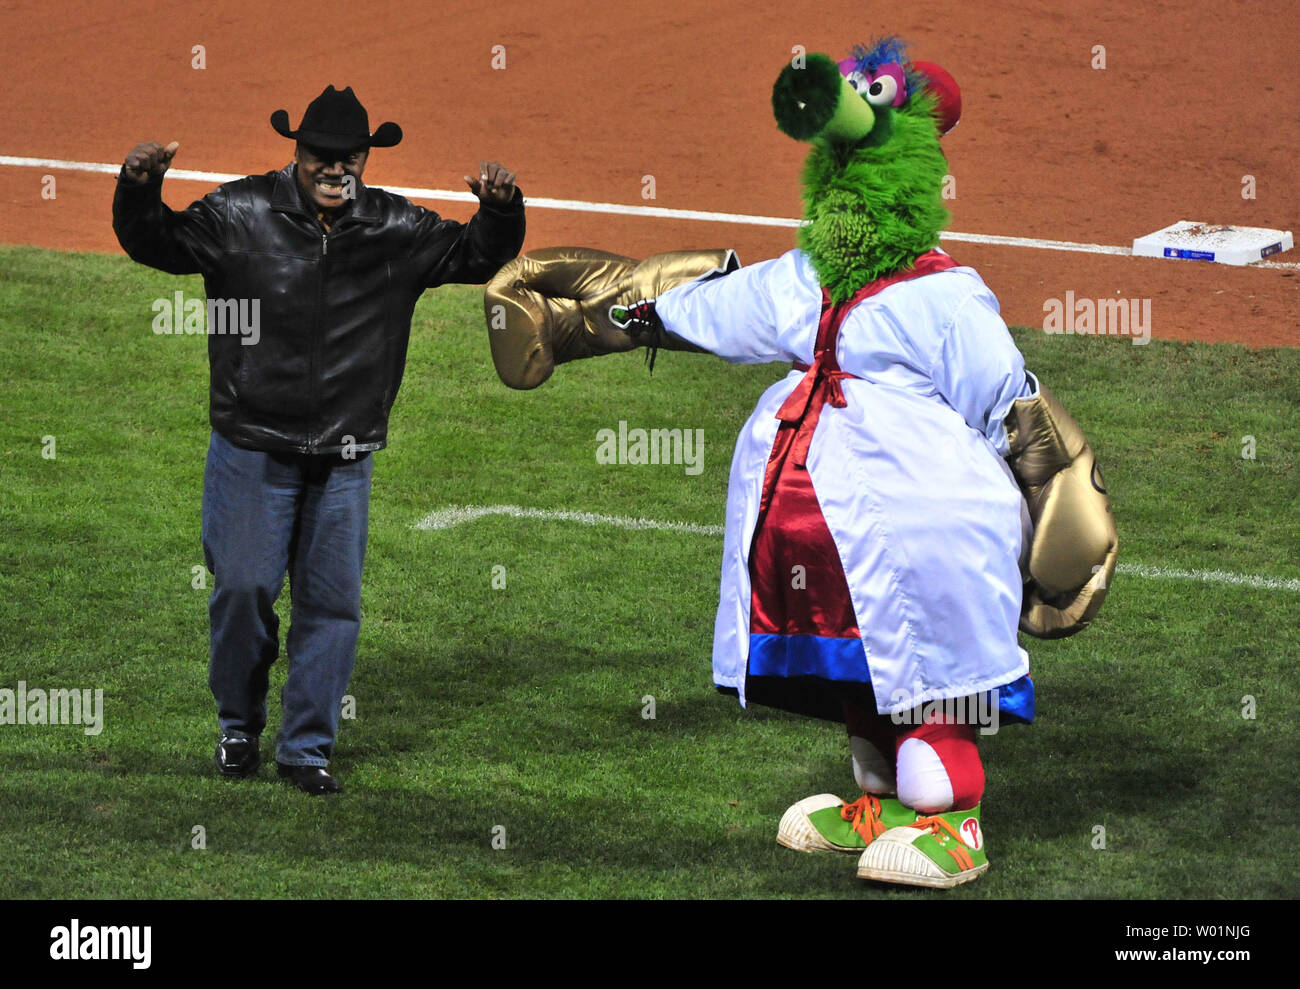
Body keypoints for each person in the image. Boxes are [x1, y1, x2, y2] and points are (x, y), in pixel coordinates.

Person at [113, 85, 525, 794]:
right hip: (251, 443)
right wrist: (138, 189)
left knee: (331, 606)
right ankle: (238, 723)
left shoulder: (395, 228)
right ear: (296, 153)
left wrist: (500, 209)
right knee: (241, 589)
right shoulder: (241, 214)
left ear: (366, 158)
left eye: (349, 157)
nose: (335, 169)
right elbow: (160, 242)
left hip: (344, 454)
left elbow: (475, 257)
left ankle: (305, 749)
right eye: (321, 156)